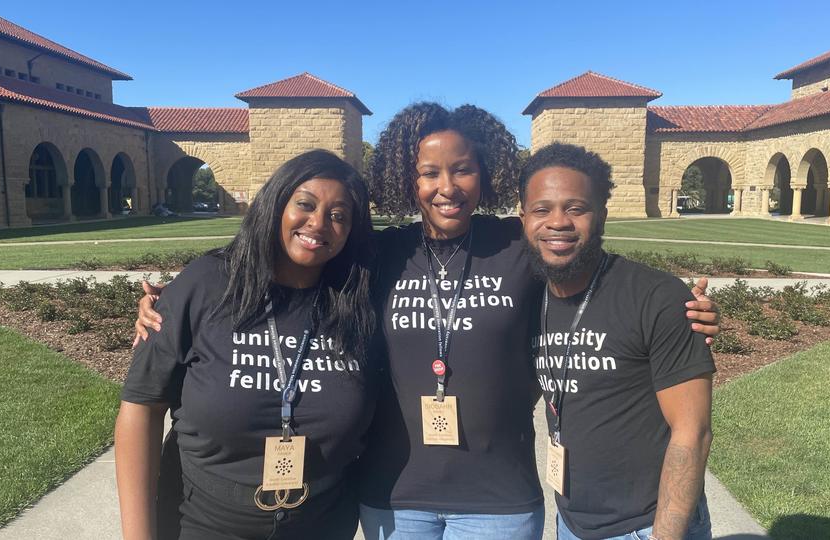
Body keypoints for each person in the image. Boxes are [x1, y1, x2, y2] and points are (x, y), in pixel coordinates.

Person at [135, 103, 720, 539]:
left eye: (462, 170)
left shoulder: (517, 246)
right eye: (429, 173)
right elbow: (293, 270)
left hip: (498, 498)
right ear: (406, 179)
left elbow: (583, 264)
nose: (447, 187)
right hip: (394, 495)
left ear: (484, 174)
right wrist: (171, 302)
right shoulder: (376, 256)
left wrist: (680, 307)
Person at [116, 150, 378, 540]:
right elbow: (142, 407)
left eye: (339, 215)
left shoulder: (359, 299)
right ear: (277, 204)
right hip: (201, 522)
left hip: (323, 523)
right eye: (305, 204)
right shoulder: (206, 286)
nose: (319, 223)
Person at [519, 143, 714, 540]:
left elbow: (692, 432)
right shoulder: (529, 299)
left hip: (645, 525)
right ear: (523, 219)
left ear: (602, 216)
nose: (558, 222)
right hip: (572, 523)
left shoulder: (655, 296)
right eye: (542, 209)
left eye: (576, 208)